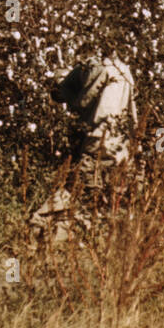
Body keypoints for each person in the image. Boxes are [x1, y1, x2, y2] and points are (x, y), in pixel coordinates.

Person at [29, 55, 138, 242]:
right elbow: (132, 113)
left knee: (80, 189)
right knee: (107, 194)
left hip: (99, 141)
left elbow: (86, 93)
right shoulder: (124, 72)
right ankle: (92, 234)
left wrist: (79, 104)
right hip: (120, 144)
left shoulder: (90, 69)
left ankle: (40, 225)